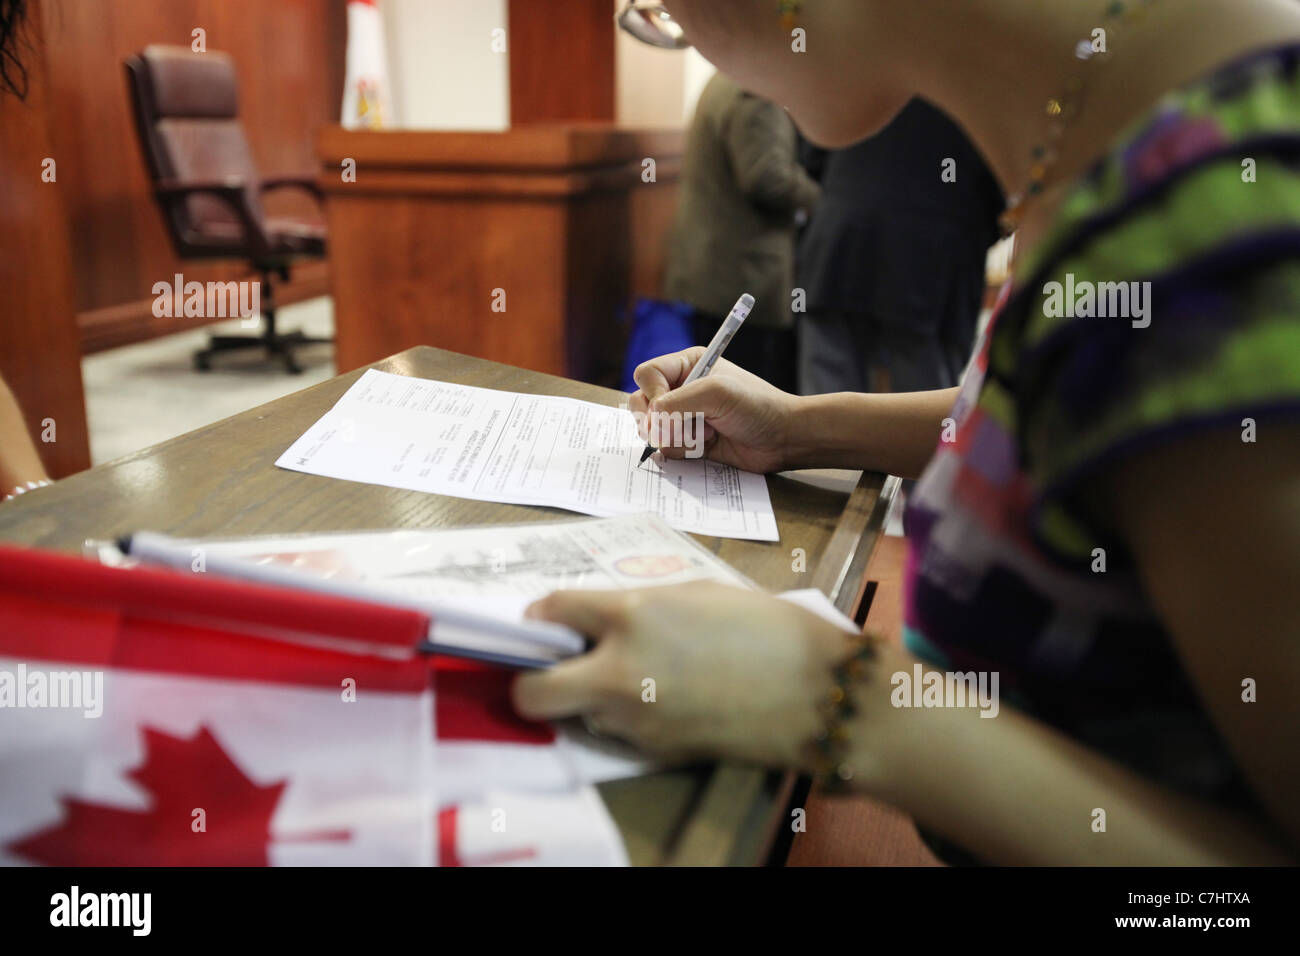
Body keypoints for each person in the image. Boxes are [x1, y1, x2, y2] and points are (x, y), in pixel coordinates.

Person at [518, 0, 1300, 864]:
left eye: (660, 7)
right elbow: (1067, 428)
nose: (678, 29)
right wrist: (798, 428)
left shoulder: (1221, 223)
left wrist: (833, 699)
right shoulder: (1119, 133)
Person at [797, 98, 1003, 395]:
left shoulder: (869, 66)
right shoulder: (976, 86)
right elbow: (1005, 185)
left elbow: (812, 154)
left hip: (840, 247)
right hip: (930, 261)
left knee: (824, 407)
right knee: (923, 406)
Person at [662, 71, 821, 392]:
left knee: (714, 395)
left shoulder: (726, 78)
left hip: (716, 273)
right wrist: (826, 201)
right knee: (749, 401)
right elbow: (766, 178)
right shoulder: (757, 91)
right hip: (743, 278)